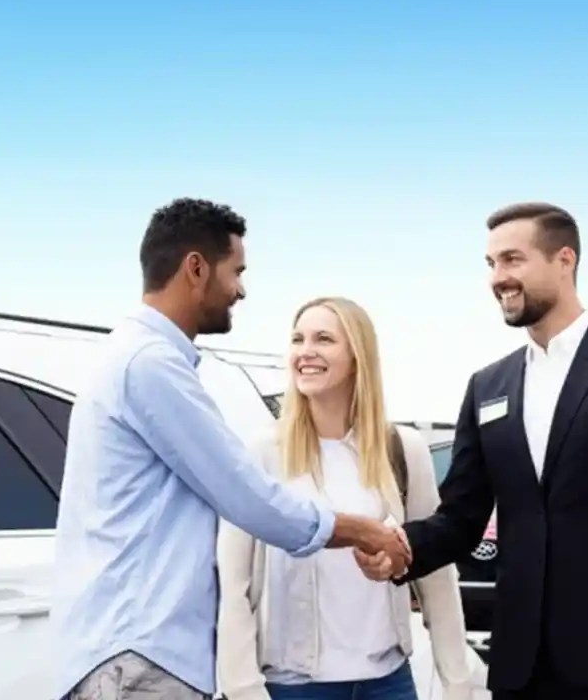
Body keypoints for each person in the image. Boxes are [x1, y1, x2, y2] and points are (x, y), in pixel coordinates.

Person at [49, 199, 413, 700]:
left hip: (135, 653)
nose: (241, 289)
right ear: (196, 268)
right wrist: (363, 530)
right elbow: (248, 497)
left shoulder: (135, 358)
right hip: (139, 654)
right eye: (236, 271)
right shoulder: (150, 366)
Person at [360, 202, 588, 700]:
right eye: (491, 264)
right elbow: (460, 517)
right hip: (520, 664)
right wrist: (400, 552)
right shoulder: (489, 386)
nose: (498, 278)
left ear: (564, 260)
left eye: (512, 260)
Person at [216, 296, 472, 700]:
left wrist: (459, 688)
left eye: (323, 339)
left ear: (358, 357)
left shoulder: (403, 450)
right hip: (293, 688)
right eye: (297, 339)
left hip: (388, 683)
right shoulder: (263, 453)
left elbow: (436, 577)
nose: (306, 352)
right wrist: (243, 690)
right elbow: (234, 586)